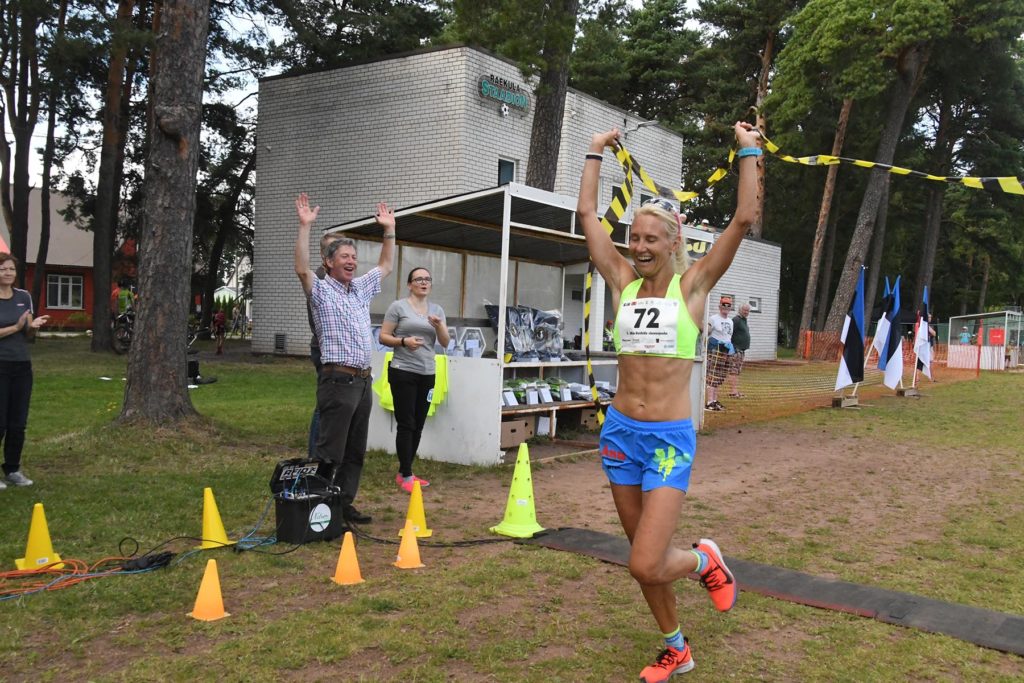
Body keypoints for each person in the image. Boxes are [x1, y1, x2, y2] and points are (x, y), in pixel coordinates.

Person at [578, 122, 758, 682]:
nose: (639, 246)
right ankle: (676, 647)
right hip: (620, 435)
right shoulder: (622, 281)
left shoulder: (695, 288)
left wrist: (749, 149)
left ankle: (706, 560)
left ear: (674, 242)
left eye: (651, 239)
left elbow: (744, 218)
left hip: (666, 442)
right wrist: (592, 153)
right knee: (643, 564)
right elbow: (587, 217)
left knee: (646, 560)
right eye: (634, 237)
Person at [294, 193, 396, 524]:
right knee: (329, 452)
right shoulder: (322, 291)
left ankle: (343, 503)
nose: (352, 261)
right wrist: (305, 226)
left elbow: (385, 265)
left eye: (354, 256)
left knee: (354, 452)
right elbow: (300, 268)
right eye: (344, 257)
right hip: (337, 381)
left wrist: (389, 231)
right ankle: (318, 509)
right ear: (329, 262)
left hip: (363, 381)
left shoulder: (361, 289)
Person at [380, 267, 449, 493]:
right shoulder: (398, 307)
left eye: (427, 279)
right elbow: (383, 336)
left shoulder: (437, 310)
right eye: (418, 279)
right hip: (403, 371)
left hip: (427, 372)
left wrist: (439, 326)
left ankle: (405, 472)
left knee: (418, 424)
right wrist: (403, 342)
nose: (424, 282)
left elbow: (446, 342)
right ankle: (407, 474)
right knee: (406, 422)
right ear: (409, 284)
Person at [0, 254, 49, 490]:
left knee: (18, 423)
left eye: (11, 269)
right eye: (2, 269)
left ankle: (12, 469)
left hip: (22, 366)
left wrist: (33, 327)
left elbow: (27, 333)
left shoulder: (23, 297)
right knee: (0, 422)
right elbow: (16, 328)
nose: (7, 273)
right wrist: (16, 327)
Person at [705, 296, 734, 411]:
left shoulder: (730, 321)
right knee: (712, 375)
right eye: (723, 305)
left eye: (728, 306)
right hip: (715, 349)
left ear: (730, 308)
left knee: (720, 376)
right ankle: (709, 402)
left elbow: (728, 336)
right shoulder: (713, 319)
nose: (725, 308)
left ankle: (715, 400)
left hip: (726, 350)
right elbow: (707, 332)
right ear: (719, 306)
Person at [728, 303, 751, 398]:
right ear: (739, 310)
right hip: (736, 350)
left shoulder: (744, 320)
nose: (746, 312)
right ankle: (733, 392)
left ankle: (735, 390)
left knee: (737, 371)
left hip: (741, 350)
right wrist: (731, 348)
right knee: (734, 370)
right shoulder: (736, 320)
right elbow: (729, 333)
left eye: (748, 310)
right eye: (744, 310)